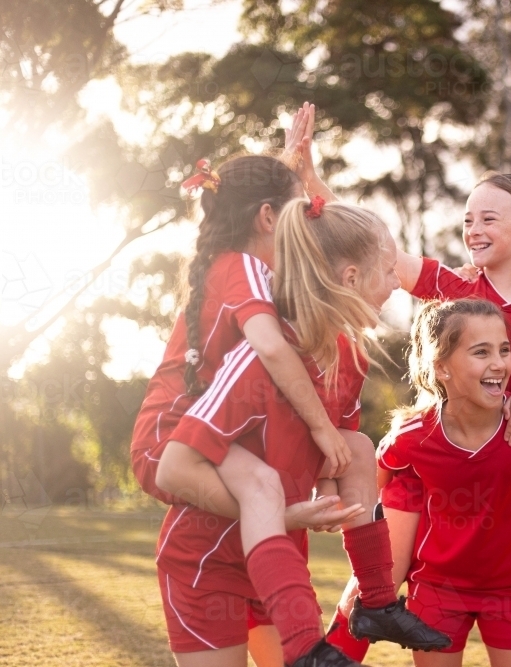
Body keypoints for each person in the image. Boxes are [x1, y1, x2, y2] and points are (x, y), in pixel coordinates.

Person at [326, 172, 511, 666]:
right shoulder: (456, 287)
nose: (474, 229)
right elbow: (372, 247)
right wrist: (315, 183)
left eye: (489, 218)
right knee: (377, 578)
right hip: (433, 463)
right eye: (468, 220)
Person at [153, 196, 447, 667]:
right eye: (390, 271)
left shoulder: (350, 357)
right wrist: (284, 513)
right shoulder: (254, 363)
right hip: (209, 563)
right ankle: (311, 650)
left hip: (274, 563)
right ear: (351, 279)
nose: (398, 283)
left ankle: (375, 602)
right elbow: (171, 470)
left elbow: (334, 456)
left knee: (356, 443)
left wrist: (330, 501)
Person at [377, 298, 511, 666]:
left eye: (504, 350)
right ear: (442, 367)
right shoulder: (412, 436)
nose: (499, 363)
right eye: (481, 352)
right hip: (436, 590)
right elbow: (381, 477)